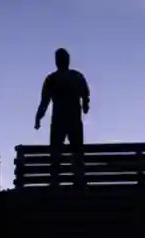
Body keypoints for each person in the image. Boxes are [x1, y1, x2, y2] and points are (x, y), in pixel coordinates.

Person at [34, 48, 89, 184]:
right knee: (67, 153)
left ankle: (62, 181)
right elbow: (85, 94)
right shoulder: (73, 77)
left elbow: (44, 102)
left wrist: (38, 118)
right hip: (67, 121)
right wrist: (38, 117)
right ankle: (73, 181)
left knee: (65, 153)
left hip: (65, 121)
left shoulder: (55, 79)